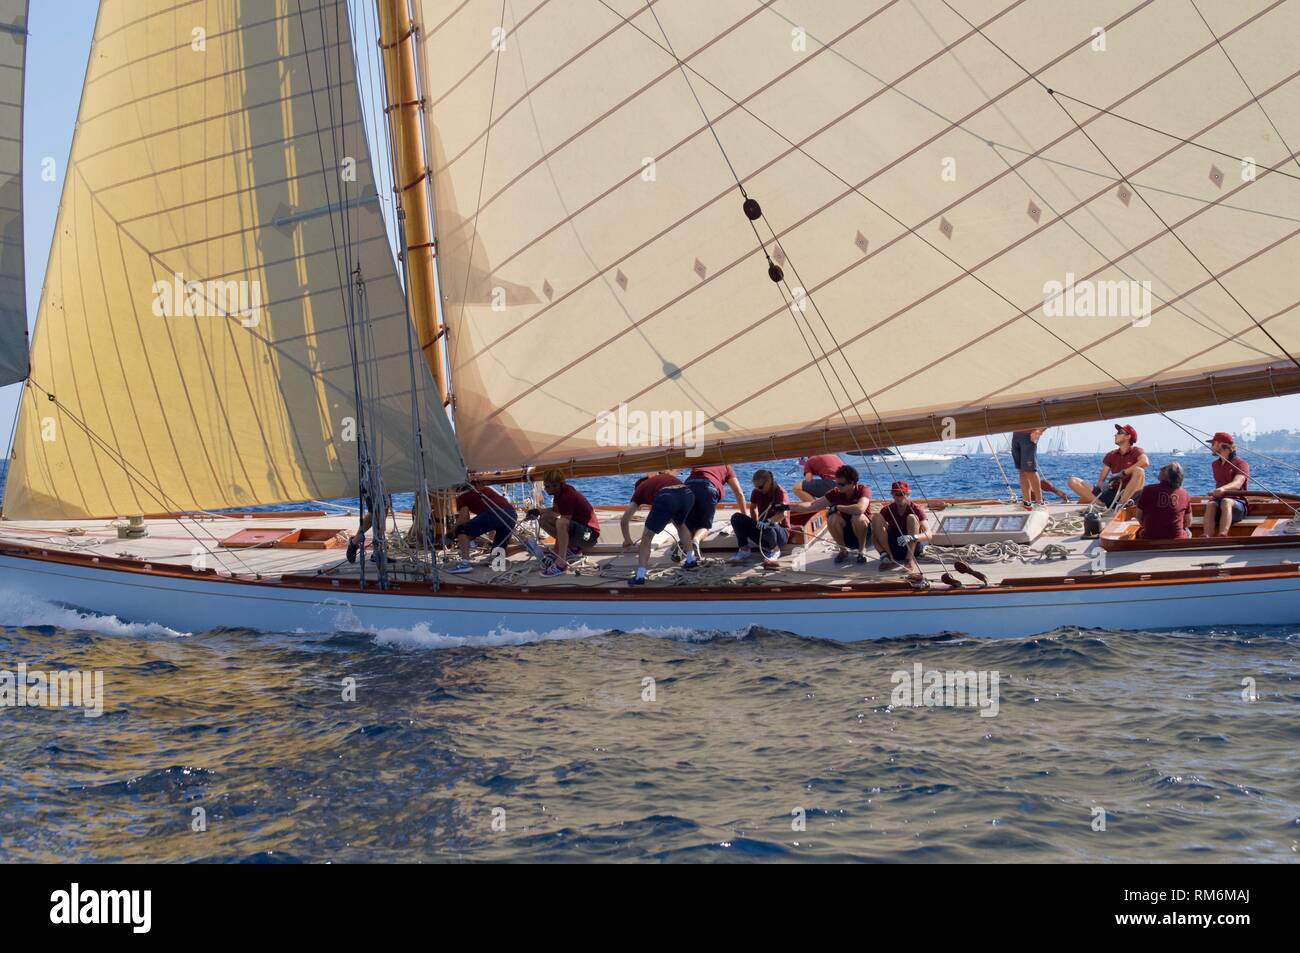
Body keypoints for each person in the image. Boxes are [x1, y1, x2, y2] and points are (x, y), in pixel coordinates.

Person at [788, 463, 873, 564]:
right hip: (847, 535)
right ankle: (843, 550)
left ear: (853, 483)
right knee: (832, 518)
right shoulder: (835, 493)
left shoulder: (863, 490)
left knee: (858, 517)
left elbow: (860, 508)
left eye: (842, 484)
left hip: (866, 536)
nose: (838, 487)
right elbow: (812, 505)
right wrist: (789, 507)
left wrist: (838, 507)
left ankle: (861, 551)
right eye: (837, 483)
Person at [620, 471, 693, 585]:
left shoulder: (639, 491)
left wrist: (627, 540)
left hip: (667, 496)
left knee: (647, 537)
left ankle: (640, 576)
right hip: (687, 494)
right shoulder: (660, 480)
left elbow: (624, 520)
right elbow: (672, 500)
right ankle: (691, 559)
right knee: (680, 525)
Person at [535, 470, 601, 576]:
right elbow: (556, 510)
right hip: (584, 534)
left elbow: (563, 524)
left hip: (589, 536)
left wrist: (556, 550)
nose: (548, 489)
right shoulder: (560, 493)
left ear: (560, 484)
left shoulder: (567, 495)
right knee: (543, 519)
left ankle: (561, 563)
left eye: (551, 486)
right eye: (546, 486)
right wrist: (538, 511)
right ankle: (574, 548)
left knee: (561, 522)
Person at [1067, 423, 1148, 509]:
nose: (1115, 435)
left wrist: (1123, 473)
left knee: (1139, 471)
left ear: (1128, 436)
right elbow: (1100, 481)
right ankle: (1100, 505)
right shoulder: (1111, 455)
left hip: (1129, 495)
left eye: (1119, 432)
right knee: (1072, 481)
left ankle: (1121, 505)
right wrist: (1103, 485)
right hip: (1112, 493)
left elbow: (1145, 462)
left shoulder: (1136, 451)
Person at [682, 463, 746, 569]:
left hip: (688, 487)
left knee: (689, 525)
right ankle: (696, 540)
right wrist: (744, 517)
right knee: (705, 525)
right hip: (708, 487)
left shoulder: (703, 461)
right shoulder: (726, 467)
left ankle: (683, 545)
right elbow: (738, 493)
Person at [445, 482, 518, 573]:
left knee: (462, 530)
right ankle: (523, 548)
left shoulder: (462, 496)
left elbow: (464, 518)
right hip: (511, 514)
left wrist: (452, 531)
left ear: (457, 489)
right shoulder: (484, 490)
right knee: (497, 552)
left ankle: (465, 564)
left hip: (496, 513)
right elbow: (493, 517)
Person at [730, 469, 790, 567]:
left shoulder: (780, 493)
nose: (758, 489)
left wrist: (769, 521)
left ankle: (775, 550)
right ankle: (744, 549)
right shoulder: (757, 492)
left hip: (780, 534)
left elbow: (783, 514)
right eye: (756, 487)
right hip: (763, 530)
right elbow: (753, 508)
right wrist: (756, 524)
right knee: (736, 518)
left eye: (761, 487)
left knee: (767, 524)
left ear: (769, 482)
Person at [872, 480, 932, 574]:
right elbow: (875, 535)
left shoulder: (916, 509)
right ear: (892, 495)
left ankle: (909, 559)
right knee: (876, 518)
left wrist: (912, 537)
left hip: (912, 546)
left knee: (912, 518)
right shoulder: (888, 510)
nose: (899, 497)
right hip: (894, 547)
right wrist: (882, 551)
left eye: (902, 494)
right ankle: (890, 558)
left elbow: (929, 534)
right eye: (896, 494)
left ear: (908, 494)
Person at [1203, 432, 1250, 537]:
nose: (1211, 447)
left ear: (1220, 444)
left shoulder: (1241, 463)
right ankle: (1206, 536)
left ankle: (1223, 535)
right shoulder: (1215, 464)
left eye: (1213, 444)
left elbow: (1238, 483)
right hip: (1219, 504)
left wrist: (1222, 489)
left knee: (1226, 501)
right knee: (1211, 504)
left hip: (1238, 505)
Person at [1133, 462, 1191, 540]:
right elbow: (1188, 522)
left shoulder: (1148, 490)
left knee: (1139, 532)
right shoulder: (1185, 494)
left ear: (1167, 475)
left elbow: (1138, 515)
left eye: (1163, 468)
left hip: (1150, 538)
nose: (1160, 469)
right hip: (1177, 539)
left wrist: (1146, 527)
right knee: (1188, 532)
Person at [1010, 429, 1045, 505]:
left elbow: (1047, 418)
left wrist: (1039, 430)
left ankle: (1040, 502)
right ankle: (1026, 502)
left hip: (1028, 435)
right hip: (1015, 435)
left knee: (1030, 471)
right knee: (1021, 471)